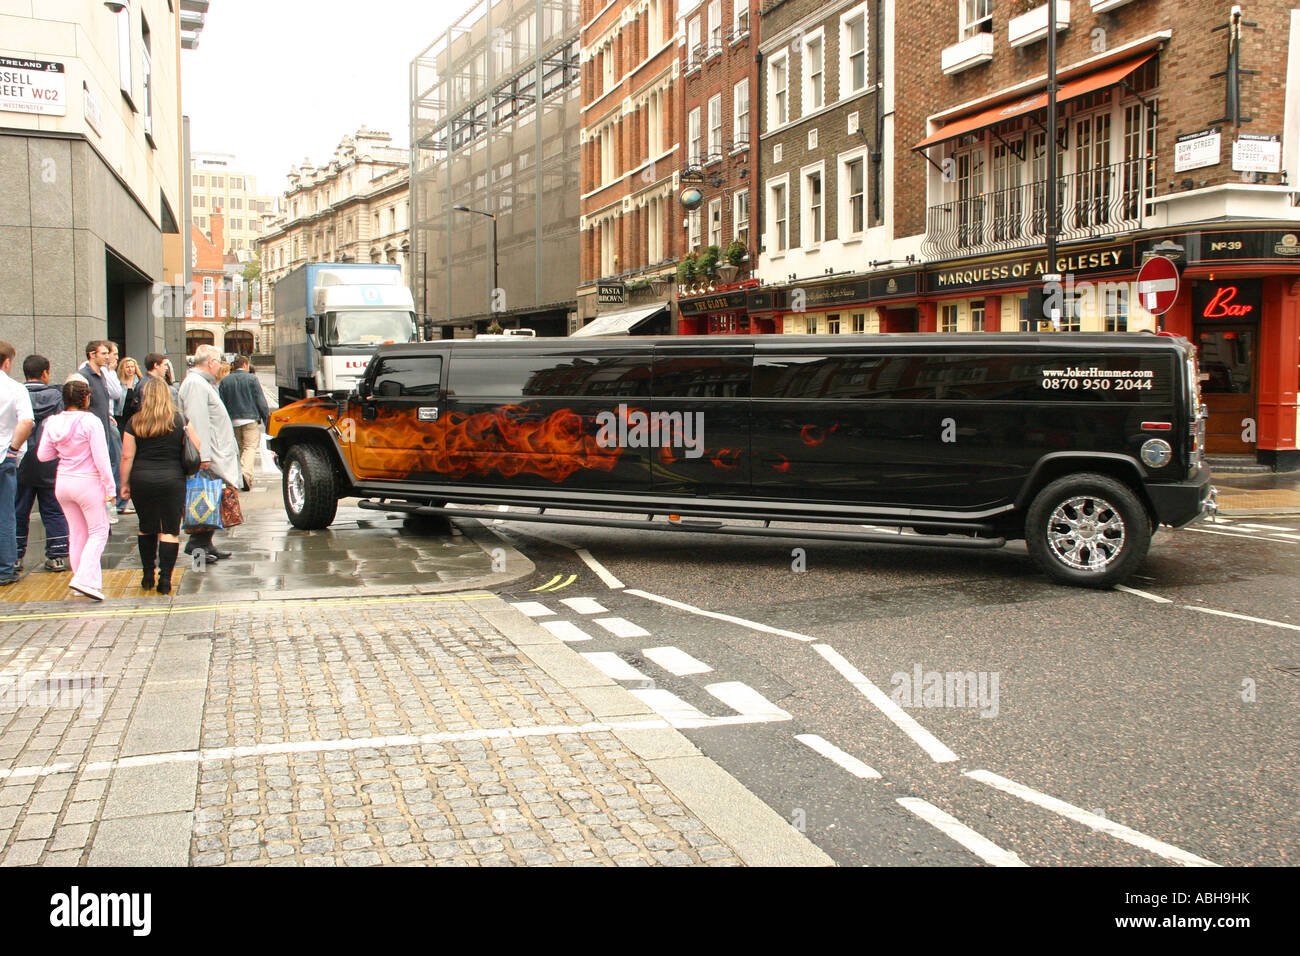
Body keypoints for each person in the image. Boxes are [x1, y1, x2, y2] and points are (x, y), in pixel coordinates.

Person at [37, 376, 114, 601]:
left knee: (77, 533)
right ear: (86, 397)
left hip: (63, 482)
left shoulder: (52, 422)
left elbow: (43, 455)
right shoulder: (91, 421)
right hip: (88, 482)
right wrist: (110, 487)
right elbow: (101, 458)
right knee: (98, 532)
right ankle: (85, 580)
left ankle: (80, 580)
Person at [122, 378, 200, 595]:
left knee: (146, 527)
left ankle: (147, 575)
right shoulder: (180, 419)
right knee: (169, 530)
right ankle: (165, 579)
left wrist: (124, 484)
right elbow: (196, 445)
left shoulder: (134, 422)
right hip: (172, 479)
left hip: (141, 479)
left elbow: (127, 456)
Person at [178, 344, 241, 562]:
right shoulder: (196, 384)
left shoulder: (202, 383)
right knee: (205, 499)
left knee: (211, 498)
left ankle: (206, 544)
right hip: (209, 455)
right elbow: (197, 421)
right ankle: (198, 546)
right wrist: (202, 455)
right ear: (211, 362)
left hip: (214, 452)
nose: (220, 367)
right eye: (219, 362)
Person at [16, 355, 69, 573]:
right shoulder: (57, 396)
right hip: (50, 461)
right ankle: (57, 556)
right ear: (46, 372)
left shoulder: (16, 394)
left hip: (20, 459)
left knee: (18, 510)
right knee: (53, 510)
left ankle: (15, 556)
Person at [0, 341, 36, 586]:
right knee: (5, 515)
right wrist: (13, 449)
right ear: (7, 361)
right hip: (4, 457)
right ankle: (4, 569)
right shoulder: (14, 388)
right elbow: (27, 421)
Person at [77, 341, 117, 524]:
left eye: (108, 353)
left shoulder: (102, 375)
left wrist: (108, 416)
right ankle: (98, 515)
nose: (107, 357)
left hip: (104, 429)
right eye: (103, 353)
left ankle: (107, 514)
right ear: (92, 354)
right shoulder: (83, 376)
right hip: (92, 434)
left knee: (105, 471)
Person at [217, 354, 270, 491]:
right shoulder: (252, 379)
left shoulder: (225, 381)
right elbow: (260, 401)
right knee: (250, 447)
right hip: (250, 419)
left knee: (239, 449)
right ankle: (245, 475)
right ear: (245, 365)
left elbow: (220, 404)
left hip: (232, 421)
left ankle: (238, 476)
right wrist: (267, 420)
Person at [113, 355, 141, 513]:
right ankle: (121, 501)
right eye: (127, 367)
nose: (130, 369)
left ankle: (126, 499)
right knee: (122, 457)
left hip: (135, 423)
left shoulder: (139, 383)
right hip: (121, 421)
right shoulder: (118, 384)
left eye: (132, 366)